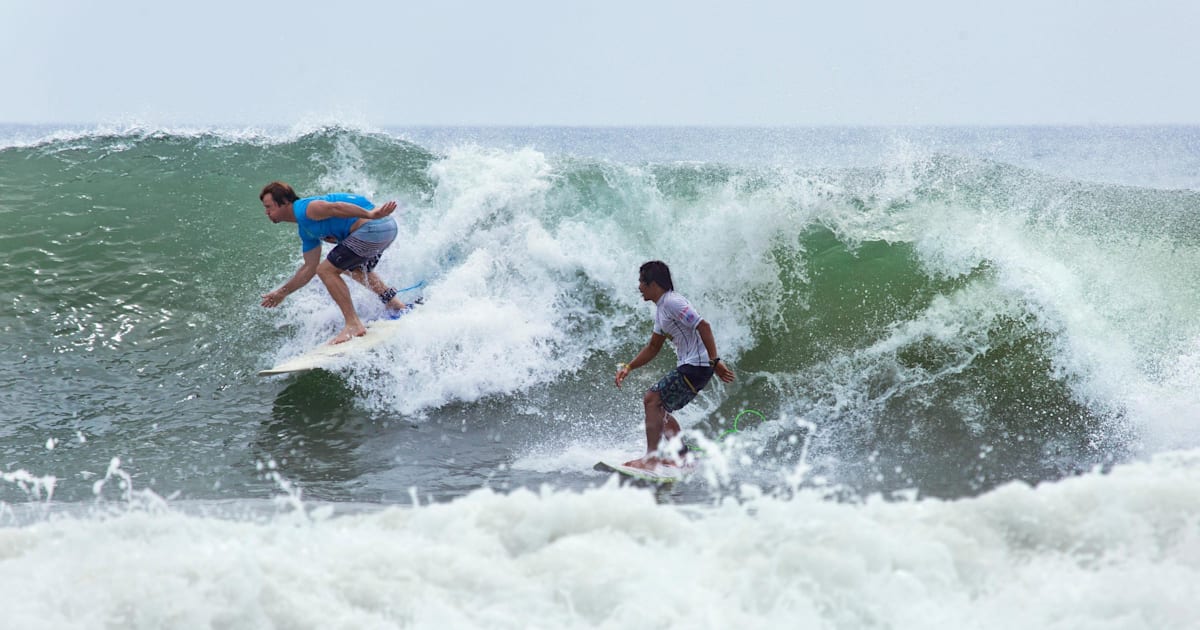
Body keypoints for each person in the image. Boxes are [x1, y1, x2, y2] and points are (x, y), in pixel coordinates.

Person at [614, 261, 735, 470]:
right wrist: (629, 367)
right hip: (693, 366)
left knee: (652, 399)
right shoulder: (662, 309)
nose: (639, 287)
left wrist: (714, 361)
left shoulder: (672, 302)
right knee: (661, 409)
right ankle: (682, 457)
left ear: (653, 284)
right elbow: (653, 347)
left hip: (696, 365)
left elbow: (703, 325)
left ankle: (650, 459)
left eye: (641, 282)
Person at [258, 181, 410, 344]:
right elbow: (309, 268)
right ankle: (394, 303)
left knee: (326, 270)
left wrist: (371, 214)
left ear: (285, 202)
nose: (266, 212)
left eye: (269, 206)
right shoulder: (306, 231)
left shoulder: (305, 209)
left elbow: (336, 207)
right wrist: (282, 292)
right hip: (386, 228)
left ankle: (353, 324)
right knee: (348, 267)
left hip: (374, 227)